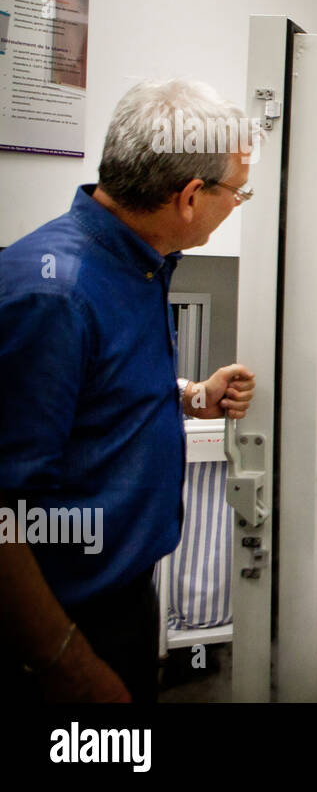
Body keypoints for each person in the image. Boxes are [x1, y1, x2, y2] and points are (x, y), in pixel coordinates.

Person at [0, 78, 257, 702]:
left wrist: (190, 395)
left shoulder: (135, 260)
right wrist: (74, 670)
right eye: (238, 192)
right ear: (192, 197)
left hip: (120, 601)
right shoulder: (52, 294)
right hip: (60, 630)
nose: (239, 204)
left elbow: (88, 388)